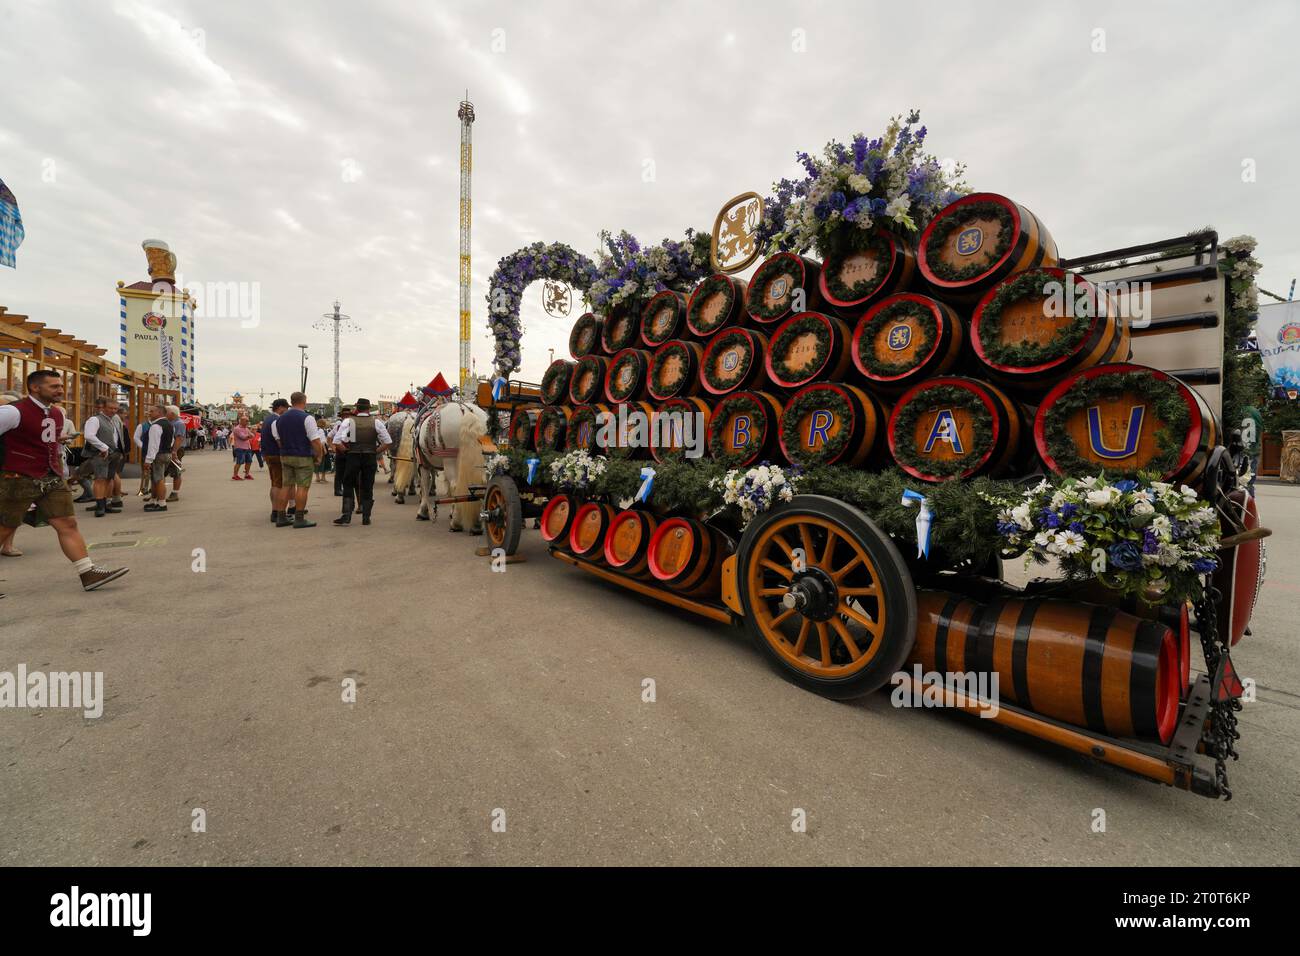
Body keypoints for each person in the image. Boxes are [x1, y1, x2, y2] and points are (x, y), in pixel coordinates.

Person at [0, 370, 129, 590]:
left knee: (68, 523)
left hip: (51, 477)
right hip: (18, 477)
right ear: (35, 387)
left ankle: (88, 573)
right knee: (5, 527)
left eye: (60, 385)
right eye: (54, 386)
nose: (60, 389)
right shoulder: (12, 411)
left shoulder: (57, 413)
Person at [332, 398, 392, 526]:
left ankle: (346, 515)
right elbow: (388, 442)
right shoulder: (377, 422)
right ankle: (366, 517)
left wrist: (346, 452)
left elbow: (336, 441)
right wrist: (375, 451)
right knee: (367, 486)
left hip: (353, 455)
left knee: (348, 483)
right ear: (368, 408)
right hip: (369, 456)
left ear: (357, 408)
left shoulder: (349, 421)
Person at [270, 392, 324, 528]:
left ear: (291, 402)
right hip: (303, 456)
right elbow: (315, 441)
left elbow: (279, 440)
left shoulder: (279, 419)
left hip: (286, 455)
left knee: (286, 486)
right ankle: (299, 518)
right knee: (302, 487)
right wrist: (319, 456)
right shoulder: (307, 418)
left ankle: (281, 516)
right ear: (304, 401)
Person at [83, 395, 129, 518]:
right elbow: (88, 435)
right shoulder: (95, 419)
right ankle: (99, 507)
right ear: (103, 408)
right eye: (110, 408)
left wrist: (118, 451)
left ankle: (105, 504)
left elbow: (116, 437)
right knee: (100, 479)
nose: (113, 411)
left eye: (115, 409)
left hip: (113, 453)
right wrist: (103, 447)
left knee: (109, 479)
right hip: (100, 454)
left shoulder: (111, 420)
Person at [134, 403, 174, 512]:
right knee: (157, 479)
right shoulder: (169, 424)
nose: (149, 413)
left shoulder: (156, 426)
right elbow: (171, 441)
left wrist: (148, 460)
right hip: (166, 453)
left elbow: (153, 445)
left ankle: (161, 503)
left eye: (152, 411)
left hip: (158, 455)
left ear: (159, 413)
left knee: (158, 479)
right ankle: (156, 501)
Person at [262, 397, 289, 524]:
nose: (287, 410)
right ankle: (278, 512)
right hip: (277, 455)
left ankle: (274, 511)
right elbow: (280, 439)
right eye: (286, 408)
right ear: (280, 407)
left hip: (268, 454)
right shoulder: (277, 421)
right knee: (279, 484)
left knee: (274, 483)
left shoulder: (267, 419)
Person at [165, 405, 186, 502]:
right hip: (170, 449)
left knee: (175, 471)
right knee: (163, 472)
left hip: (176, 449)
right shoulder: (171, 422)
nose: (165, 414)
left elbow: (179, 438)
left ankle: (175, 493)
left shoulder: (179, 423)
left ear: (172, 414)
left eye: (167, 412)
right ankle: (156, 493)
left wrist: (174, 451)